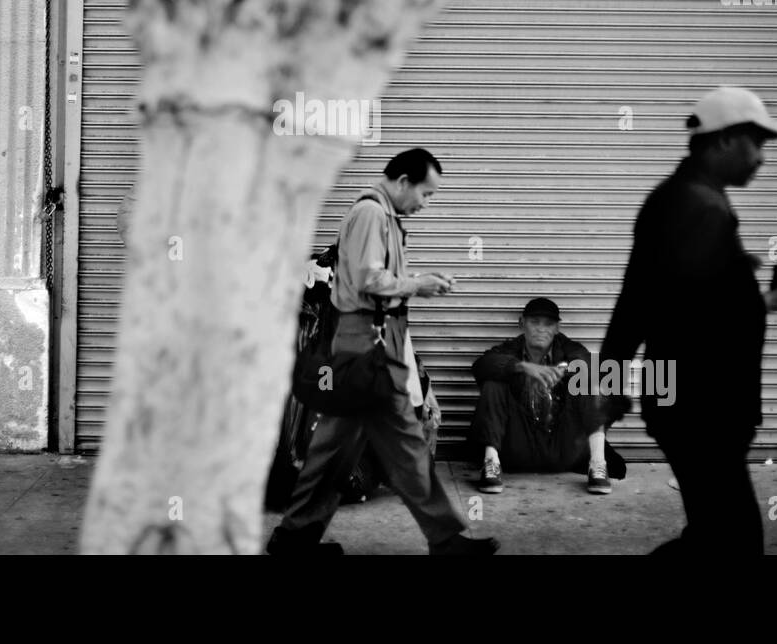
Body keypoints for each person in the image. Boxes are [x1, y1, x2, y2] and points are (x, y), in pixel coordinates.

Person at [599, 86, 777, 555]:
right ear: (722, 140)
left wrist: (611, 381)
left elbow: (643, 300)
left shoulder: (677, 198)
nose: (762, 158)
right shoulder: (702, 207)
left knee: (715, 537)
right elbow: (697, 319)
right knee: (733, 542)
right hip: (703, 407)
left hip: (686, 404)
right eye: (755, 143)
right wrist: (775, 298)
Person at [266, 148, 500, 556]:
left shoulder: (385, 218)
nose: (425, 205)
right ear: (404, 182)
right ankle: (447, 540)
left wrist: (416, 281)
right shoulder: (371, 214)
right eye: (425, 195)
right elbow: (367, 280)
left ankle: (293, 538)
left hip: (368, 350)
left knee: (333, 451)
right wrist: (418, 284)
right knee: (405, 446)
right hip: (365, 352)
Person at [469, 297, 626, 496]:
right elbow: (481, 365)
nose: (541, 329)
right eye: (535, 322)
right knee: (493, 382)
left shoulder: (570, 348)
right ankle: (491, 464)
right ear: (521, 323)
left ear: (557, 328)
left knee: (588, 383)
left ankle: (598, 465)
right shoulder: (509, 349)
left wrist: (563, 371)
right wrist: (521, 367)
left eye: (548, 324)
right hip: (520, 446)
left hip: (563, 446)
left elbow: (588, 364)